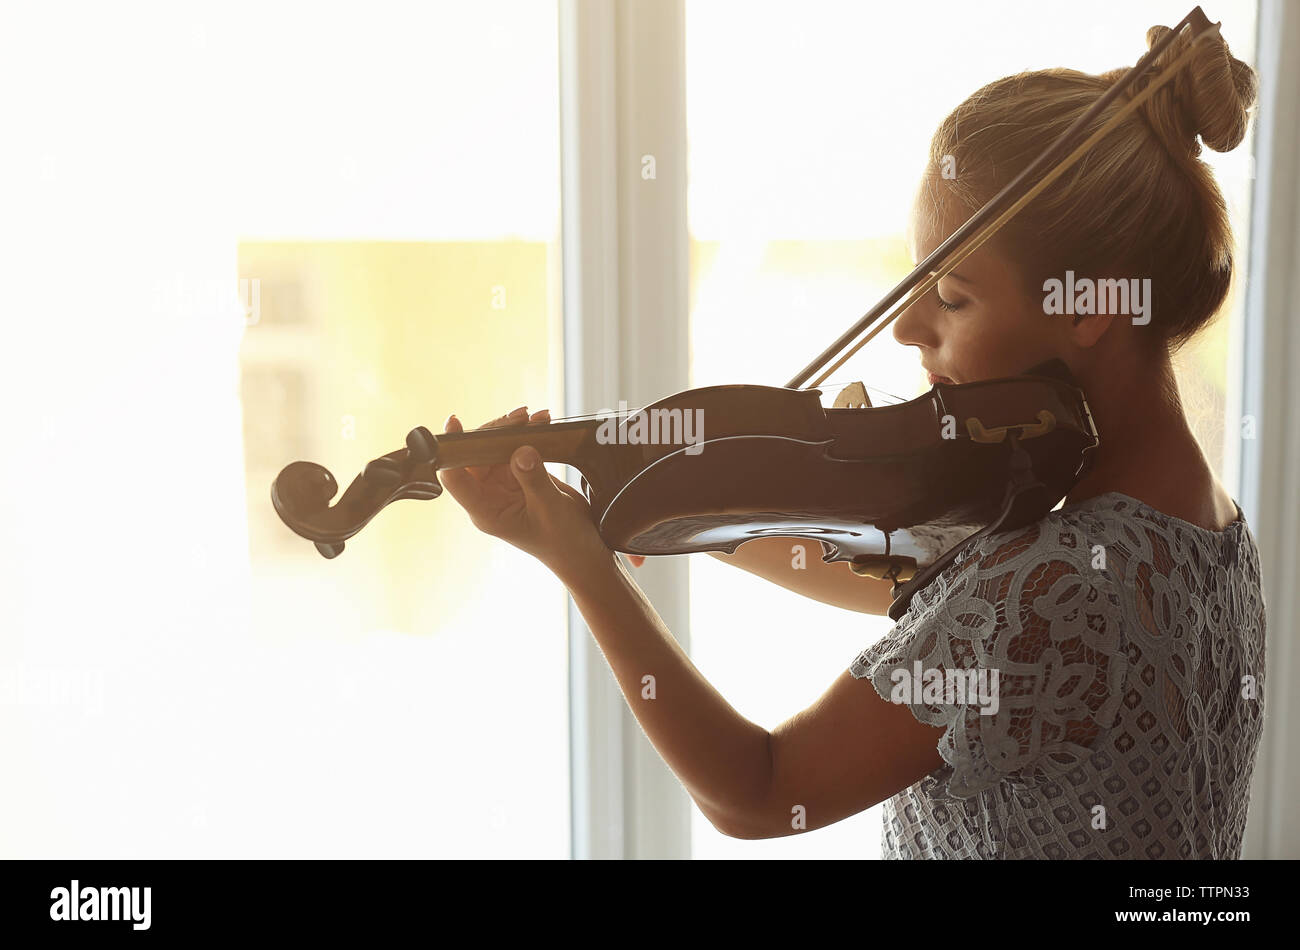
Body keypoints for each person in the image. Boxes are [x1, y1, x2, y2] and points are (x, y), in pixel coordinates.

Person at [440, 19, 1265, 858]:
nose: (908, 326)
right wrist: (673, 497)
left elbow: (761, 791)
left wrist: (583, 565)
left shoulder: (1051, 593)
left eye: (952, 295)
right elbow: (927, 584)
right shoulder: (1206, 534)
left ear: (1091, 305)